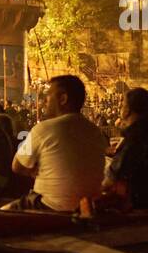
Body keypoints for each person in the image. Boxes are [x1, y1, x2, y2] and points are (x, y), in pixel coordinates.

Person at [7, 75, 108, 212]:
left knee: (2, 211)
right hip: (88, 207)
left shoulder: (43, 129)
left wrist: (34, 172)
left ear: (63, 99)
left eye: (48, 96)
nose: (44, 102)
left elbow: (17, 166)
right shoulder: (95, 132)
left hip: (49, 206)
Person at [103, 88, 148, 210]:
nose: (121, 107)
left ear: (129, 109)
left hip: (145, 208)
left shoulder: (136, 137)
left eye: (123, 104)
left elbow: (113, 178)